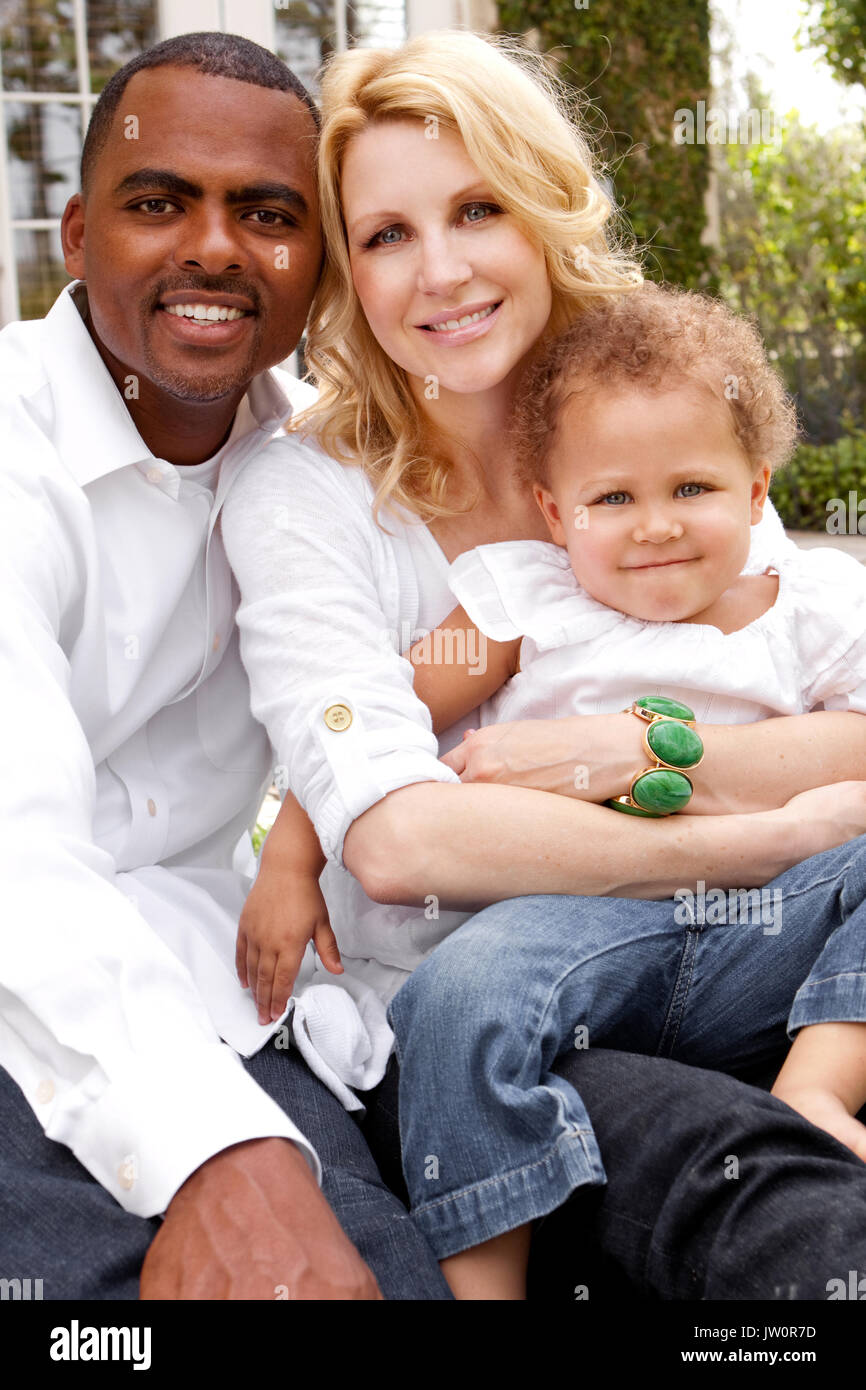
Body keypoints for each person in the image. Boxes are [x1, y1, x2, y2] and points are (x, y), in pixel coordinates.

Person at [222, 29, 866, 1299]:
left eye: (476, 209)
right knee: (746, 1189)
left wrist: (641, 755)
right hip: (502, 970)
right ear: (345, 270)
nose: (442, 269)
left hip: (753, 949)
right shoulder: (317, 501)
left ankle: (820, 1081)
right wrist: (742, 833)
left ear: (545, 209)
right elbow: (399, 831)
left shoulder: (653, 404)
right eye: (386, 233)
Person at [0, 30, 452, 1301]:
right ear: (80, 233)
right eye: (160, 204)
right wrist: (216, 1151)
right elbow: (18, 860)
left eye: (267, 214)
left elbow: (491, 627)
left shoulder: (325, 477)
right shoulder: (11, 449)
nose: (212, 248)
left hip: (227, 995)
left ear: (315, 270)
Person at [376, 283, 866, 1297]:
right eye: (611, 499)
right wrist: (292, 849)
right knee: (453, 996)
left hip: (762, 929)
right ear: (554, 511)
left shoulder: (812, 604)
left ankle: (814, 1091)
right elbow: (375, 723)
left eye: (691, 487)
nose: (654, 528)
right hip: (573, 918)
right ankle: (484, 1282)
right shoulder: (524, 598)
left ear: (757, 489)